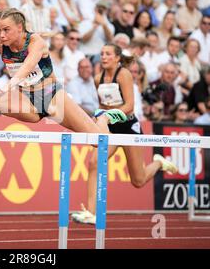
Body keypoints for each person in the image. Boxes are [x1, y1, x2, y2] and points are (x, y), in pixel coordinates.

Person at [0, 8, 128, 147]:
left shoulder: (36, 42)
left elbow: (29, 64)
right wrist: (9, 89)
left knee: (98, 141)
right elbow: (10, 56)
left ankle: (103, 117)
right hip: (27, 99)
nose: (1, 35)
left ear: (20, 29)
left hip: (53, 98)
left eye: (6, 30)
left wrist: (8, 85)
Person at [71, 44, 178, 225]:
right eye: (102, 53)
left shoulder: (124, 75)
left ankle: (159, 162)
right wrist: (99, 116)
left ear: (117, 58)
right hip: (112, 129)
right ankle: (91, 212)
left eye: (108, 54)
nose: (104, 57)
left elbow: (129, 106)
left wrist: (107, 116)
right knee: (94, 162)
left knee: (138, 180)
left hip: (128, 127)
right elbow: (104, 105)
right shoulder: (98, 79)